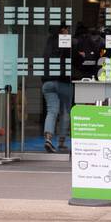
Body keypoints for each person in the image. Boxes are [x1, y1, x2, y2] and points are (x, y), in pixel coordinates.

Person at [41, 25, 73, 153]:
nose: (68, 31)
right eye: (66, 29)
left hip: (47, 83)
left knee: (52, 111)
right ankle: (61, 142)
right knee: (65, 112)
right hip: (63, 82)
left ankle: (48, 139)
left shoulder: (48, 45)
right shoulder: (65, 44)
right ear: (62, 30)